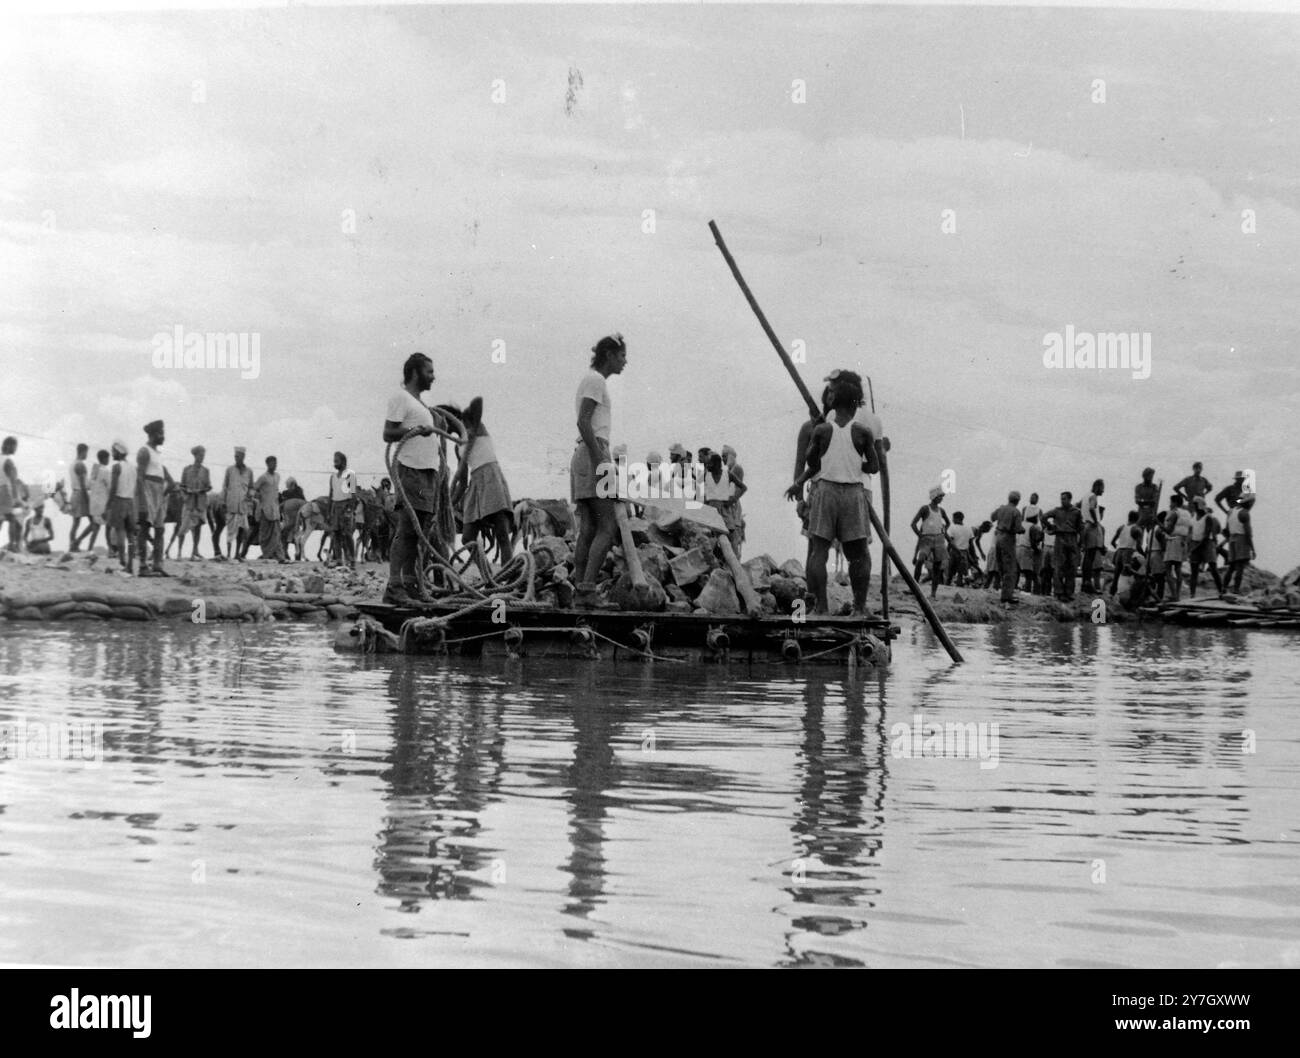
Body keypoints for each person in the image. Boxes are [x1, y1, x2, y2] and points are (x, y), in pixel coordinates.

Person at [784, 370, 879, 614]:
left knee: (819, 550)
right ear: (856, 404)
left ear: (833, 401)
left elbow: (812, 463)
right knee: (858, 554)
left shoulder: (821, 431)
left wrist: (799, 482)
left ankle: (821, 609)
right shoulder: (862, 431)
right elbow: (874, 466)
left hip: (825, 490)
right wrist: (859, 463)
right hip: (853, 492)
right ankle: (859, 609)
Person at [383, 352, 447, 604]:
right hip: (411, 470)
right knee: (408, 529)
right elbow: (388, 432)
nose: (433, 376)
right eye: (429, 371)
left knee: (420, 532)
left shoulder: (421, 405)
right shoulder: (401, 397)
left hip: (427, 473)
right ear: (414, 373)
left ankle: (410, 586)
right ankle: (394, 586)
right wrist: (414, 430)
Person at [570, 334, 628, 609]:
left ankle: (580, 592)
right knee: (607, 525)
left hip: (583, 454)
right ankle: (588, 589)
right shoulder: (596, 380)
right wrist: (601, 459)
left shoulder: (591, 379)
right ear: (608, 355)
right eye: (621, 356)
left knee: (589, 527)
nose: (624, 361)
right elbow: (583, 421)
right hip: (594, 452)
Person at [452, 399, 515, 565]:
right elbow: (463, 482)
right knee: (467, 538)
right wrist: (451, 503)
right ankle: (487, 575)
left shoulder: (476, 425)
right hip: (475, 483)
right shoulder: (457, 446)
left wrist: (471, 431)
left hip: (491, 476)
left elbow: (478, 401)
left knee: (502, 532)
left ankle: (508, 576)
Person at [134, 420, 172, 577]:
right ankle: (142, 566)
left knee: (160, 529)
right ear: (153, 434)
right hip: (147, 491)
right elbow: (140, 477)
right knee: (144, 527)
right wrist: (142, 499)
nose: (163, 436)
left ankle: (157, 564)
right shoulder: (144, 451)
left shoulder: (157, 453)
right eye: (160, 433)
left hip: (159, 493)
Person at [908, 486, 949, 599]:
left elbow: (948, 522)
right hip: (927, 539)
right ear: (934, 497)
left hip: (939, 539)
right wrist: (920, 535)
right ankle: (915, 588)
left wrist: (943, 531)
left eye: (942, 496)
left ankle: (933, 593)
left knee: (937, 567)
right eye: (940, 496)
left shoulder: (941, 510)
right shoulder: (925, 509)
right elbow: (913, 524)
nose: (941, 498)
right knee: (920, 560)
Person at [705, 450, 747, 556]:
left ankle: (735, 564)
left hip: (724, 510)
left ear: (716, 464)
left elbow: (743, 487)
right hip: (711, 509)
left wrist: (732, 499)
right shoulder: (706, 475)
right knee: (712, 537)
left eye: (710, 463)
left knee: (730, 536)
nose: (708, 465)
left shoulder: (727, 475)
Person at [1044, 491, 1083, 601]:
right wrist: (1051, 527)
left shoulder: (1076, 512)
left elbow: (1081, 527)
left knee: (1072, 566)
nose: (1062, 501)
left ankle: (1069, 592)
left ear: (1070, 499)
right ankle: (1059, 592)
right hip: (1060, 538)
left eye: (1064, 499)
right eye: (1061, 499)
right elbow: (1043, 517)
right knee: (1058, 566)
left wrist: (1081, 543)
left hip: (1072, 538)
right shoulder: (1057, 510)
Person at [107, 440, 138, 574]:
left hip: (119, 500)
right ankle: (130, 563)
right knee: (131, 535)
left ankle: (122, 560)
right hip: (130, 501)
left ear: (118, 453)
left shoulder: (116, 467)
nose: (112, 453)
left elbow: (113, 487)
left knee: (120, 532)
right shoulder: (133, 467)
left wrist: (108, 504)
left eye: (113, 451)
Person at [990, 491, 1024, 604]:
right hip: (1008, 538)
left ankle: (1002, 590)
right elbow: (1018, 529)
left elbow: (992, 517)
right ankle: (1006, 596)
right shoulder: (1016, 512)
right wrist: (1022, 529)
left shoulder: (1001, 508)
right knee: (1010, 568)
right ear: (1018, 500)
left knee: (1001, 566)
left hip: (998, 537)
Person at [221, 447, 254, 561]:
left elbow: (251, 487)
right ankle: (229, 554)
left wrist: (250, 496)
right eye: (235, 456)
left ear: (243, 457)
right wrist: (223, 501)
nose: (236, 458)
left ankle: (237, 553)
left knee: (242, 530)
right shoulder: (230, 470)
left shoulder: (249, 471)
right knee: (231, 530)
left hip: (243, 506)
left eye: (238, 456)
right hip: (232, 504)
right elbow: (225, 486)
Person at [178, 445, 211, 560]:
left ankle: (193, 552)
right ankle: (179, 553)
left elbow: (208, 486)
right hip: (189, 503)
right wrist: (186, 494)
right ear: (195, 455)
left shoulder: (206, 471)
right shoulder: (187, 470)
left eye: (203, 456)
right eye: (200, 455)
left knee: (198, 529)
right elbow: (181, 486)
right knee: (183, 529)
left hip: (200, 503)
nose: (202, 458)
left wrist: (202, 490)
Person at [1187, 496, 1224, 597]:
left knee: (1213, 568)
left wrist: (1194, 548)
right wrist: (1190, 544)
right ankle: (1192, 594)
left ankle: (1221, 591)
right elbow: (1191, 531)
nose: (1194, 506)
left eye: (1195, 504)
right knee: (1194, 570)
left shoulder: (1208, 517)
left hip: (1207, 543)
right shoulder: (1193, 516)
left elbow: (1206, 535)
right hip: (1195, 542)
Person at [77, 448, 112, 554]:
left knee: (95, 526)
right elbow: (110, 487)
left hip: (93, 503)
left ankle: (89, 548)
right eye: (108, 458)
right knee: (108, 527)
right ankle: (110, 549)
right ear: (105, 458)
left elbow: (87, 485)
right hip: (103, 503)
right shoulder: (105, 471)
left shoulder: (94, 470)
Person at [328, 451, 358, 568]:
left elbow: (353, 494)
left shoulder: (350, 475)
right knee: (336, 533)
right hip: (335, 506)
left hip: (346, 506)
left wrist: (350, 509)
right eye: (334, 461)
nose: (335, 463)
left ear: (343, 462)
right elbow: (331, 494)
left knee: (347, 534)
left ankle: (351, 559)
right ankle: (339, 559)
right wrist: (330, 511)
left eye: (337, 461)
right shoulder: (333, 477)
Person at [253, 456, 286, 562]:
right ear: (267, 464)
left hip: (275, 509)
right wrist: (259, 496)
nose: (274, 465)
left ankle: (280, 557)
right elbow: (254, 489)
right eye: (272, 463)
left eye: (275, 463)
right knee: (264, 534)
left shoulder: (277, 476)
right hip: (265, 509)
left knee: (276, 533)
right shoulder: (263, 477)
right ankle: (267, 554)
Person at [1162, 494, 1193, 601]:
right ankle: (1177, 595)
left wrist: (1158, 523)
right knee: (1178, 568)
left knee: (1168, 568)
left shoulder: (1175, 513)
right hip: (1182, 540)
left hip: (1173, 540)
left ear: (1175, 502)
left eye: (1171, 502)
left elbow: (1169, 530)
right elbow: (1190, 529)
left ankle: (1174, 594)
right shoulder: (1187, 513)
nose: (1170, 504)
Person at [1225, 494, 1255, 594]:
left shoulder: (1231, 511)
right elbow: (1248, 533)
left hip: (1232, 538)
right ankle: (1236, 590)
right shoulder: (1244, 513)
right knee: (1240, 567)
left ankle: (1223, 588)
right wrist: (1252, 549)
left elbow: (1227, 528)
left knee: (1231, 567)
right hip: (1241, 539)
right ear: (1248, 502)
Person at [721, 445, 746, 557]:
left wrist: (731, 501)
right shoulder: (731, 469)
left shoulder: (737, 468)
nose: (723, 459)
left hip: (733, 505)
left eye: (724, 456)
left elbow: (739, 489)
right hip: (730, 503)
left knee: (733, 535)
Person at [1108, 511, 1141, 596]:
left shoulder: (1121, 527)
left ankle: (1111, 594)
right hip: (1128, 552)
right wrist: (1143, 555)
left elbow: (1112, 542)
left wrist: (1119, 548)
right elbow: (1139, 546)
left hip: (1119, 552)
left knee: (1116, 575)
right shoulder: (1136, 529)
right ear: (1137, 519)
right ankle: (1125, 595)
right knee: (1127, 575)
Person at [1081, 479, 1106, 592]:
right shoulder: (1093, 496)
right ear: (1097, 487)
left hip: (1085, 525)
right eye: (1102, 488)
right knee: (1090, 556)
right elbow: (1091, 508)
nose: (1103, 490)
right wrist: (1096, 521)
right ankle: (1087, 582)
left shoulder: (1086, 496)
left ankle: (1085, 582)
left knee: (1087, 556)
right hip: (1091, 526)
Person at [1, 435, 23, 552]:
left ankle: (12, 545)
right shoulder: (8, 461)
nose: (15, 448)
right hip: (5, 491)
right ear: (9, 446)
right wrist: (16, 499)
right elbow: (13, 482)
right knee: (12, 519)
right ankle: (12, 545)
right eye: (15, 446)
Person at [68, 443, 91, 551]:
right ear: (83, 452)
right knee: (94, 522)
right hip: (81, 494)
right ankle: (76, 542)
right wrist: (87, 499)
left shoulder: (73, 464)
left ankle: (73, 544)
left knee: (75, 523)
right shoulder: (80, 465)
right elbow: (82, 484)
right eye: (86, 452)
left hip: (74, 493)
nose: (87, 455)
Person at [1018, 512, 1045, 593]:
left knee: (1024, 573)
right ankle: (1030, 591)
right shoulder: (1032, 527)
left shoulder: (1022, 524)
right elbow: (1033, 541)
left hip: (1020, 548)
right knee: (1031, 574)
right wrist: (1037, 549)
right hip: (1027, 549)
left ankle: (1027, 591)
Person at [946, 512, 974, 587]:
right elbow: (971, 544)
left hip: (954, 551)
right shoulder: (969, 529)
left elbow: (950, 542)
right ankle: (959, 586)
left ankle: (947, 587)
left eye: (953, 518)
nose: (952, 520)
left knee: (950, 572)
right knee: (960, 573)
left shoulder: (952, 528)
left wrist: (947, 552)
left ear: (956, 518)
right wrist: (972, 555)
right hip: (964, 553)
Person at [1146, 511, 1167, 602]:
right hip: (1157, 553)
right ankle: (1159, 598)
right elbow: (1163, 546)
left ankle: (1152, 597)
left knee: (1154, 577)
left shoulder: (1152, 530)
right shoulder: (1160, 530)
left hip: (1150, 553)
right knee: (1160, 578)